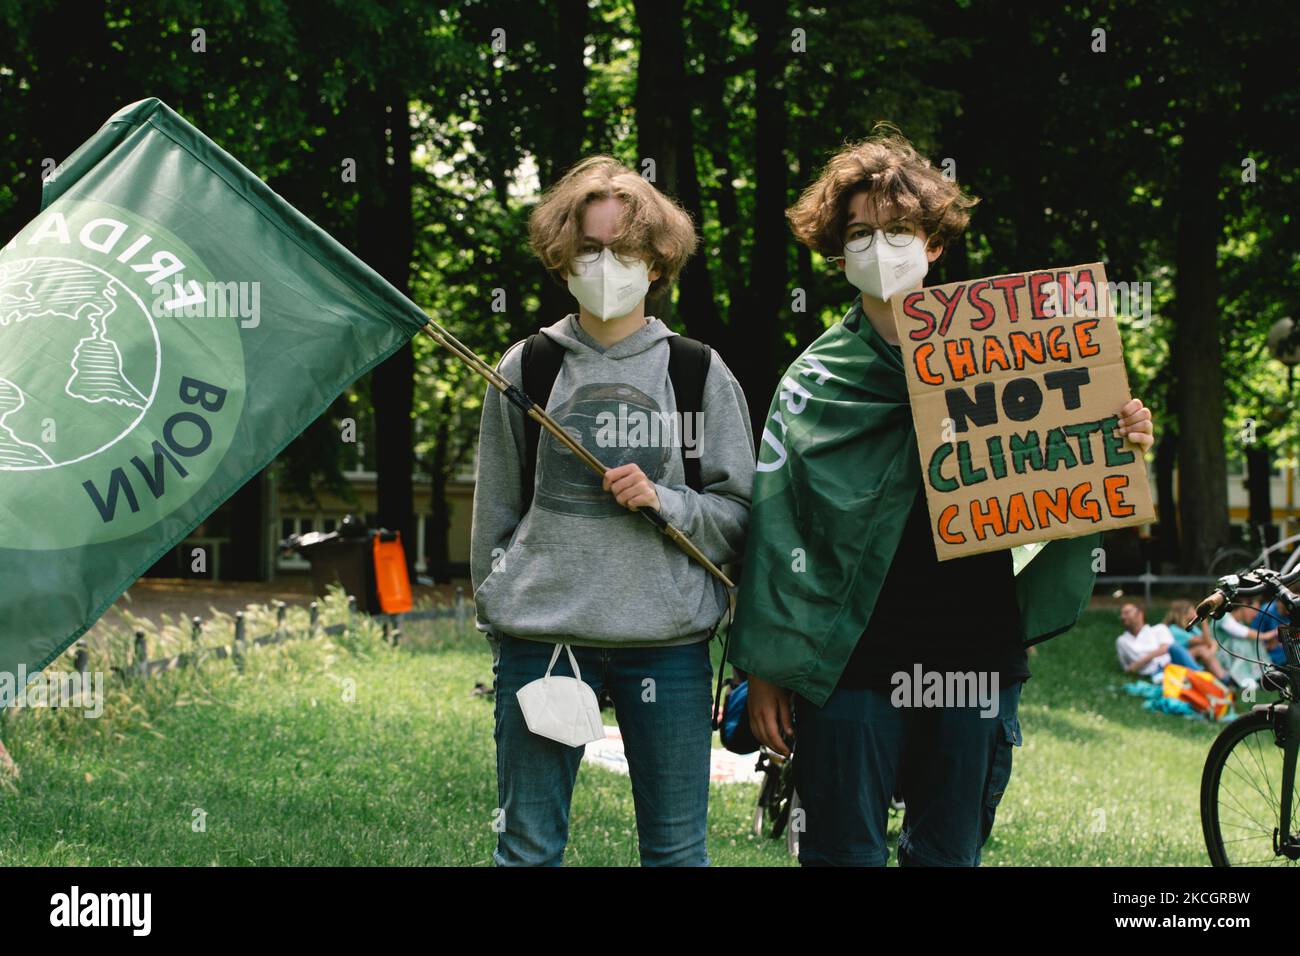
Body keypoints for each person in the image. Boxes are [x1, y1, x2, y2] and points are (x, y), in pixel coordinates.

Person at [728, 126, 1155, 867]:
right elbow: (775, 526)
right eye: (860, 233)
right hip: (851, 663)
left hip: (973, 648)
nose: (880, 247)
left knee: (949, 855)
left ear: (934, 244)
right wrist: (764, 665)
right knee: (842, 853)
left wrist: (1120, 436)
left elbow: (1072, 474)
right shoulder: (813, 379)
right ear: (836, 251)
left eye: (898, 231)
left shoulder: (1015, 349)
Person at [471, 156, 755, 867]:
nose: (606, 265)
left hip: (668, 644)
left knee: (676, 853)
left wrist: (665, 501)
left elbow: (742, 517)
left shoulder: (696, 372)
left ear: (656, 263)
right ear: (562, 256)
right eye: (591, 248)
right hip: (545, 643)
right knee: (527, 849)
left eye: (624, 250)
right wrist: (500, 613)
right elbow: (494, 515)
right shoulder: (527, 368)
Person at [1116, 602, 1218, 678]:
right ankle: (1207, 677)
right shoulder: (1122, 641)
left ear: (1140, 613)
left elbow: (1167, 648)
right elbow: (1126, 667)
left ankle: (1210, 677)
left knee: (1198, 649)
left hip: (1170, 663)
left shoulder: (1158, 629)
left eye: (1127, 612)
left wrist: (1139, 663)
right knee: (1198, 649)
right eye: (1122, 614)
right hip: (1164, 666)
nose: (1122, 617)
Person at [1162, 599, 1231, 682]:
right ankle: (1223, 678)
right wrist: (1204, 619)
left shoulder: (1191, 628)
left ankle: (1219, 677)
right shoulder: (1174, 629)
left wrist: (1210, 653)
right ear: (1184, 614)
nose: (1196, 612)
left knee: (1205, 649)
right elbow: (1205, 641)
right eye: (1192, 611)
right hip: (1175, 660)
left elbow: (1211, 642)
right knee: (1201, 649)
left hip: (1191, 657)